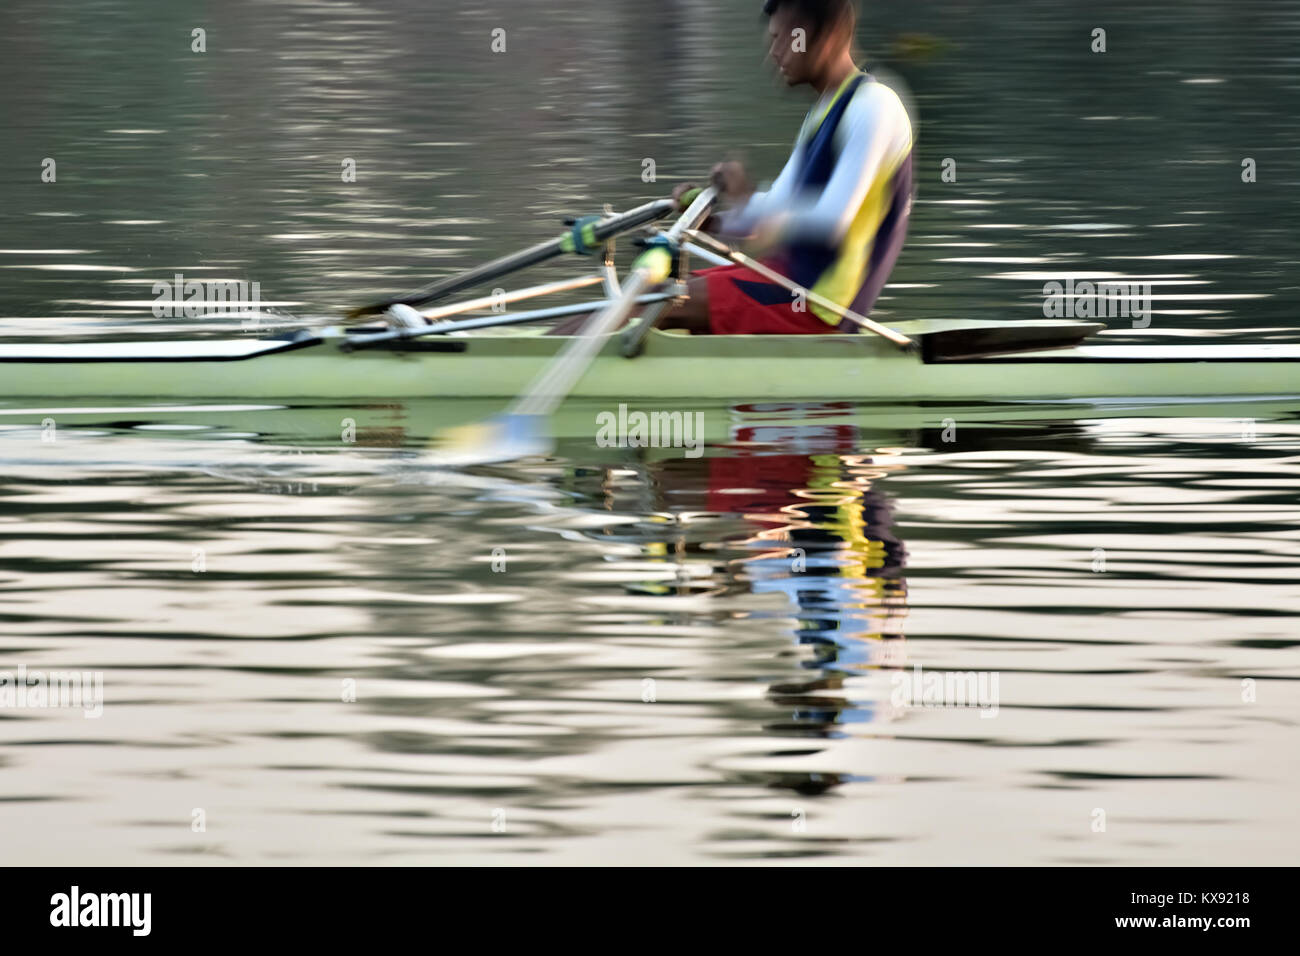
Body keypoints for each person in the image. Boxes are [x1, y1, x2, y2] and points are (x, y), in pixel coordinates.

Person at [552, 0, 914, 336]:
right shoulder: (822, 112)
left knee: (648, 302)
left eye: (784, 39)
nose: (773, 54)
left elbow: (833, 222)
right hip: (786, 281)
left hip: (819, 306)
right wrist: (720, 221)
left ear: (830, 34)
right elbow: (775, 209)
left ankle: (524, 365)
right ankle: (531, 351)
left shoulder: (874, 106)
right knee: (651, 291)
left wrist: (742, 198)